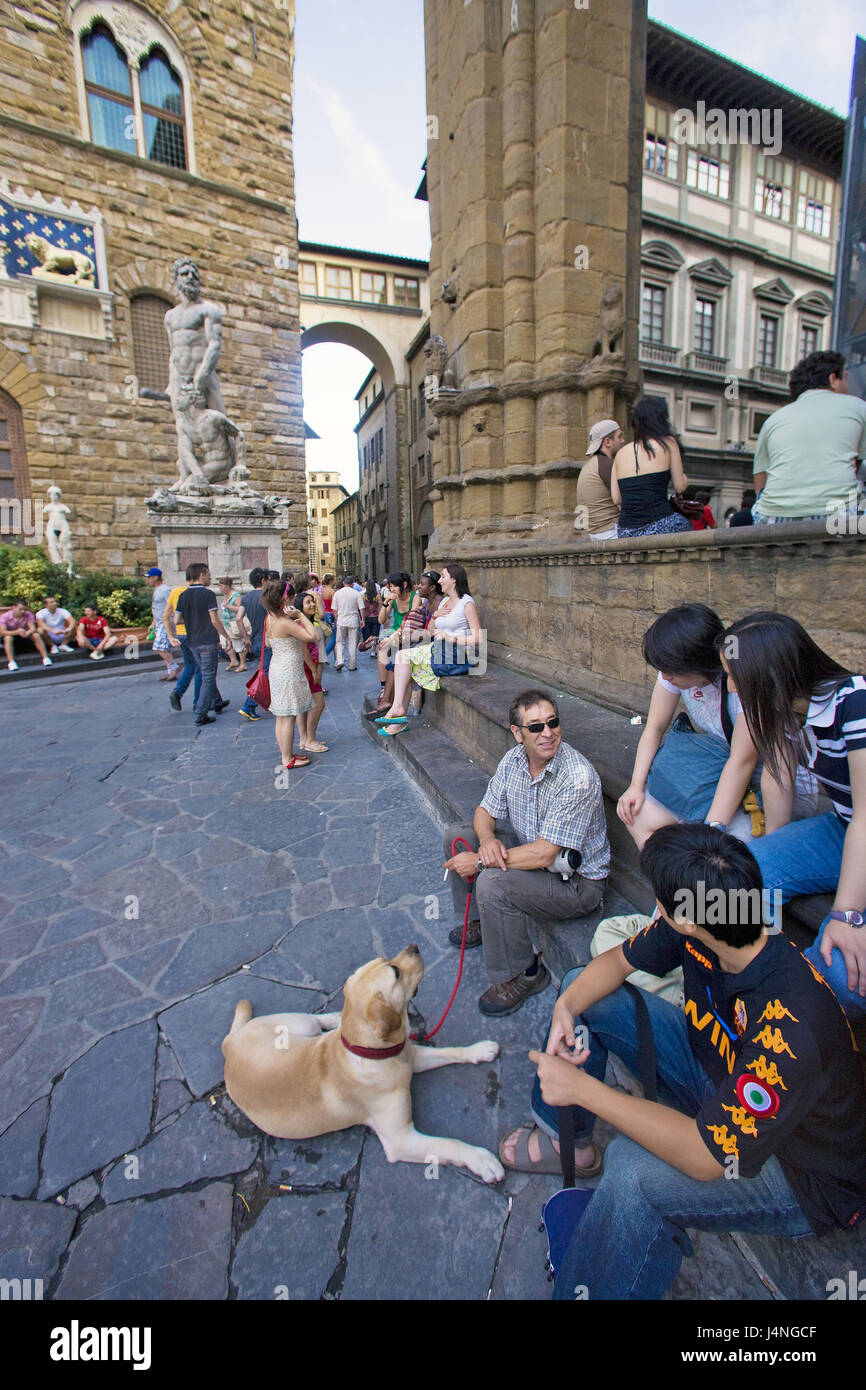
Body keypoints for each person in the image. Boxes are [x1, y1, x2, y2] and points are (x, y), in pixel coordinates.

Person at [499, 823, 866, 1301]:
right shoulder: (712, 927)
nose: (657, 909)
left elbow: (707, 1158)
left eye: (661, 902)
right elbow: (612, 964)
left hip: (800, 1172)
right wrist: (564, 1008)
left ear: (689, 917)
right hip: (719, 1081)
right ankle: (568, 1141)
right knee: (581, 986)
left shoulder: (791, 1027)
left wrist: (583, 1089)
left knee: (633, 1171)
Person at [720, 612, 866, 1019]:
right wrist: (775, 849)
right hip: (842, 827)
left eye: (735, 676)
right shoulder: (789, 710)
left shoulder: (855, 701)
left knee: (843, 973)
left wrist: (848, 915)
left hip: (860, 828)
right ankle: (757, 985)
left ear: (770, 674)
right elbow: (778, 777)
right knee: (737, 876)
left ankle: (783, 1026)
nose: (730, 687)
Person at [442, 689, 610, 1017]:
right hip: (536, 856)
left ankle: (524, 974)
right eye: (535, 727)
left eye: (552, 723)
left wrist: (479, 862)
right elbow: (484, 812)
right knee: (458, 835)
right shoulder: (514, 760)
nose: (547, 733)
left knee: (492, 882)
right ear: (517, 733)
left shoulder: (577, 778)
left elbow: (545, 854)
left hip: (576, 884)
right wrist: (487, 840)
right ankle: (479, 919)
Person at [616, 605, 816, 850]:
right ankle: (671, 882)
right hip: (719, 770)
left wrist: (712, 828)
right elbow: (655, 727)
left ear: (697, 661)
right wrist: (636, 785)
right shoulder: (674, 673)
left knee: (728, 853)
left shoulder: (743, 686)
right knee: (636, 814)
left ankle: (698, 883)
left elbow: (743, 761)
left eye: (671, 669)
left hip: (765, 786)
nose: (664, 676)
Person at [752, 351, 866, 524]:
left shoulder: (774, 419)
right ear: (832, 379)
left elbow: (760, 477)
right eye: (845, 378)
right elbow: (854, 466)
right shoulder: (858, 406)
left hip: (774, 518)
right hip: (839, 515)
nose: (848, 385)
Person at [376, 563, 480, 734]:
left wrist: (451, 637)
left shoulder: (466, 603)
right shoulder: (446, 601)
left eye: (444, 576)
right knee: (402, 658)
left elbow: (478, 638)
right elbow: (431, 631)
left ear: (454, 580)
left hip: (456, 654)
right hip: (438, 647)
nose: (440, 580)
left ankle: (397, 717)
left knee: (403, 662)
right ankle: (397, 710)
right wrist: (436, 616)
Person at [611, 397, 693, 538]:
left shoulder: (620, 453)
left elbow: (617, 499)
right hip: (661, 522)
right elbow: (680, 487)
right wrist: (685, 478)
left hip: (626, 530)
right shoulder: (668, 443)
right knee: (686, 525)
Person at [259, 578, 318, 769]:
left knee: (282, 716)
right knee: (288, 717)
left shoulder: (270, 617)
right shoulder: (285, 622)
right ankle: (287, 758)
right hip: (288, 670)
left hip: (278, 666)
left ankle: (287, 754)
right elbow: (313, 636)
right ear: (285, 600)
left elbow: (268, 643)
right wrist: (300, 616)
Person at [174, 564, 232, 726]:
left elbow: (177, 620)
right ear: (201, 574)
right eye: (207, 574)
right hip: (207, 640)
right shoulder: (207, 594)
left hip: (192, 641)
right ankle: (201, 713)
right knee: (208, 676)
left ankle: (217, 701)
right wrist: (225, 636)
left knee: (206, 673)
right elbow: (214, 619)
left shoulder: (183, 595)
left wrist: (193, 620)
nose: (210, 577)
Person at [575, 418, 624, 540]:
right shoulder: (607, 465)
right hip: (611, 532)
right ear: (607, 442)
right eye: (620, 437)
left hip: (596, 534)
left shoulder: (588, 465)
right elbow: (623, 501)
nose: (623, 441)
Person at [295, 590, 328, 753]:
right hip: (307, 667)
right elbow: (304, 649)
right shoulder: (302, 624)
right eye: (308, 602)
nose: (313, 605)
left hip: (305, 667)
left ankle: (304, 739)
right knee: (319, 704)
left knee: (303, 706)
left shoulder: (303, 622)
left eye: (313, 601)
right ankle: (310, 739)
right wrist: (315, 670)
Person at [165, 577, 201, 713]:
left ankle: (177, 692)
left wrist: (170, 636)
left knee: (190, 665)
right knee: (200, 668)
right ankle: (199, 702)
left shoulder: (175, 592)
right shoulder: (195, 593)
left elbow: (165, 615)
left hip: (181, 635)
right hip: (195, 633)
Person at [238, 567, 269, 721]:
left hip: (255, 639)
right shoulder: (266, 596)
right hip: (267, 641)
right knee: (266, 673)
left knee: (263, 671)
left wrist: (246, 638)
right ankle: (249, 705)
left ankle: (269, 702)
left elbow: (238, 618)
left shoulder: (246, 597)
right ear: (263, 580)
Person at [145, 567, 178, 681]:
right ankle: (171, 672)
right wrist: (153, 623)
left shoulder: (165, 590)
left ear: (156, 577)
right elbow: (157, 608)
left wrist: (175, 620)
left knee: (159, 647)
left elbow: (172, 605)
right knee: (165, 648)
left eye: (149, 577)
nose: (148, 580)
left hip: (166, 621)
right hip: (159, 622)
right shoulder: (157, 589)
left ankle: (175, 667)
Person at [2, 599, 52, 670]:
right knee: (8, 638)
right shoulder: (5, 616)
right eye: (20, 609)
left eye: (24, 609)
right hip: (12, 636)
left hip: (25, 636)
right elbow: (2, 632)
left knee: (36, 635)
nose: (22, 611)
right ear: (14, 607)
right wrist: (16, 632)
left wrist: (27, 632)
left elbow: (32, 628)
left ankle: (45, 658)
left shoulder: (28, 614)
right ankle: (11, 662)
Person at [331, 575, 365, 672]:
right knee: (352, 643)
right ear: (353, 584)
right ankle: (352, 665)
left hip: (341, 619)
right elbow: (361, 608)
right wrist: (363, 620)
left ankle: (340, 660)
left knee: (340, 642)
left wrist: (337, 619)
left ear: (343, 583)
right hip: (353, 620)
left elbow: (334, 609)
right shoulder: (356, 593)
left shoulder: (337, 593)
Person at [216, 576, 247, 672]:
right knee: (224, 642)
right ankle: (233, 660)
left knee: (238, 643)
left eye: (221, 586)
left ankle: (243, 663)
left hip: (234, 622)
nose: (220, 588)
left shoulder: (236, 596)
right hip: (226, 623)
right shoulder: (226, 596)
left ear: (227, 586)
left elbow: (241, 608)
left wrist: (228, 606)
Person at [360, 579, 381, 656]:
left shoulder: (364, 596)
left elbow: (362, 607)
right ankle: (373, 651)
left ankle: (369, 646)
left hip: (367, 616)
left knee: (369, 634)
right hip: (376, 616)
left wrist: (362, 618)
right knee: (375, 634)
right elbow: (381, 607)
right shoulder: (378, 596)